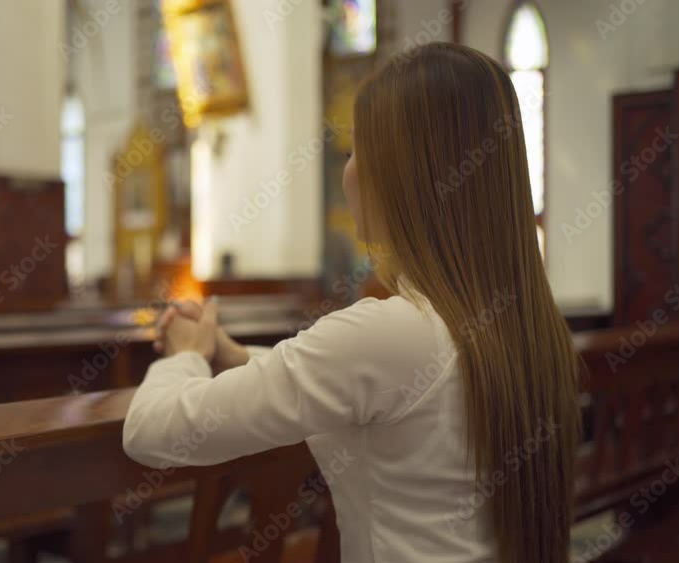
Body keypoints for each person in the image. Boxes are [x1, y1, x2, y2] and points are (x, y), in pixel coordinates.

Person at [123, 43, 581, 563]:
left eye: (356, 149)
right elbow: (350, 378)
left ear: (405, 175)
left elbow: (152, 432)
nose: (349, 170)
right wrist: (229, 353)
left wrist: (181, 353)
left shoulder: (391, 331)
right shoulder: (528, 326)